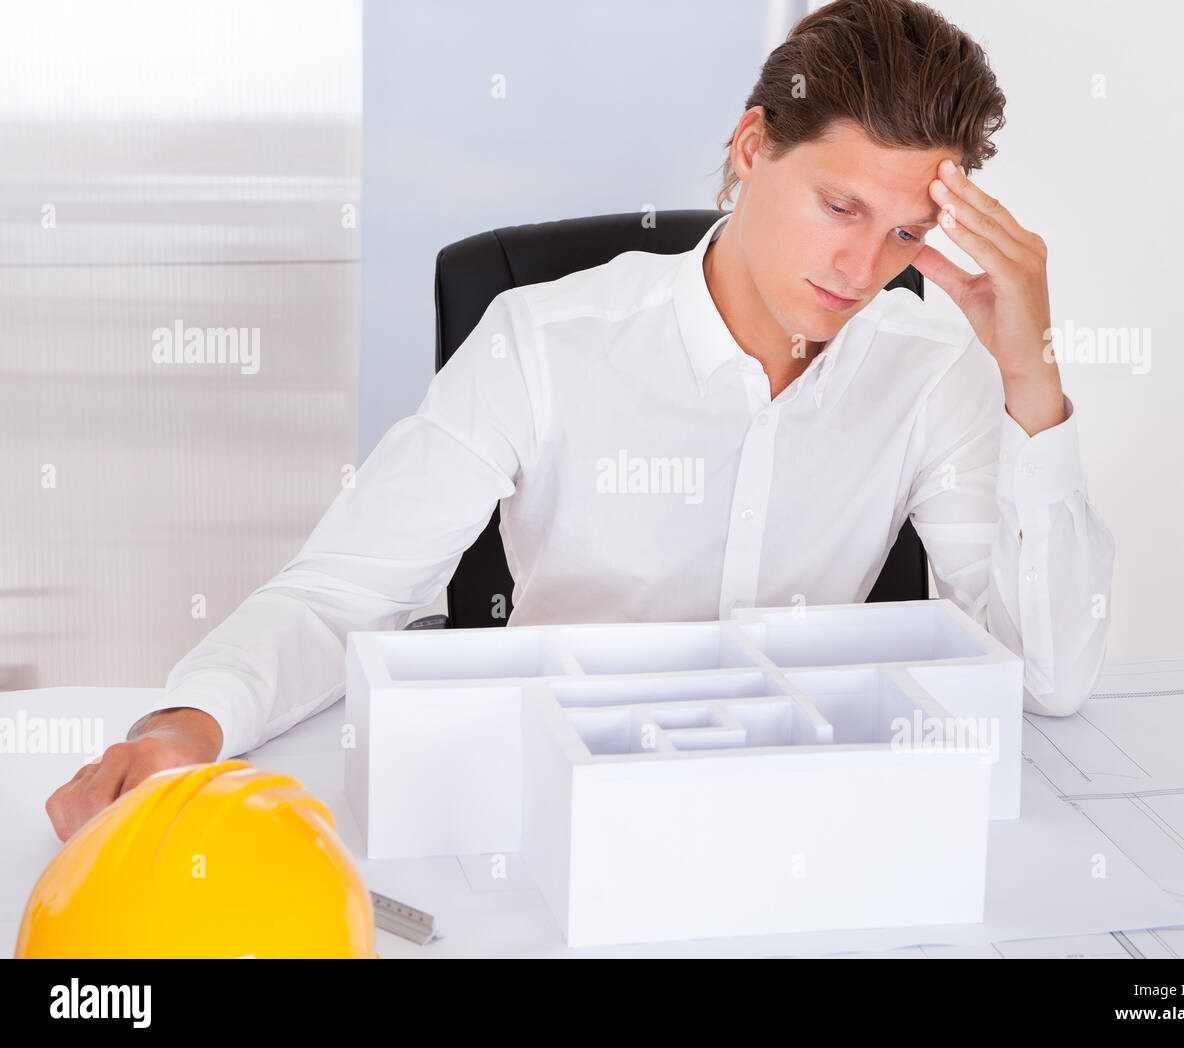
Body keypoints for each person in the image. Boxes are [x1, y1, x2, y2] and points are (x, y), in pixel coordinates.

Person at [46, 0, 1115, 842]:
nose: (860, 270)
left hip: (797, 818)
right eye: (839, 206)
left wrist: (1033, 376)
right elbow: (343, 597)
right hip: (547, 814)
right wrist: (190, 719)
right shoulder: (543, 340)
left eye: (904, 234)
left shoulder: (930, 371)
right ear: (751, 147)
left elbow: (1053, 677)